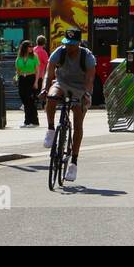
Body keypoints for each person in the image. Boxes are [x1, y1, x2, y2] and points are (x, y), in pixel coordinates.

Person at [41, 30, 97, 185]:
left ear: (78, 44)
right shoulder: (59, 52)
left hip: (80, 88)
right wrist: (44, 88)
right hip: (62, 83)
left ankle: (73, 162)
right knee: (51, 97)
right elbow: (49, 71)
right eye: (66, 43)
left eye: (72, 45)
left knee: (78, 124)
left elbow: (90, 78)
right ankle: (51, 129)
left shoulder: (87, 57)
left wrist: (86, 94)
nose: (68, 47)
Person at [15, 40, 40, 127]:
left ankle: (31, 121)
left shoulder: (34, 56)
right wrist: (16, 78)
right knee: (24, 100)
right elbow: (17, 71)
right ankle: (30, 121)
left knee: (30, 100)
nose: (31, 48)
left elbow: (37, 71)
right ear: (24, 48)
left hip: (31, 78)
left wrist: (36, 82)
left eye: (32, 46)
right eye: (29, 46)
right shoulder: (19, 58)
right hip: (22, 79)